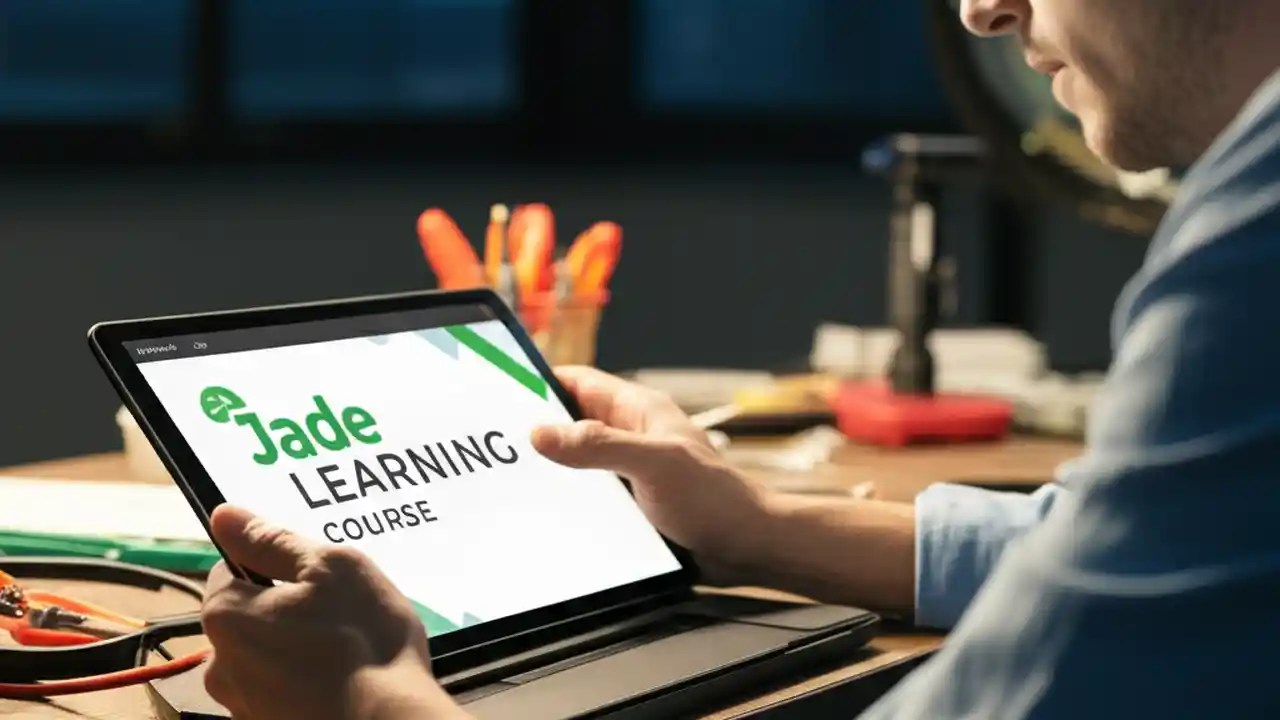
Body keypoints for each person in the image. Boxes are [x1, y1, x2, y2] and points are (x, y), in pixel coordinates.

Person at [198, 0, 1280, 717]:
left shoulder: (1257, 224)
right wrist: (749, 525)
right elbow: (1161, 550)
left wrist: (376, 704)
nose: (981, 9)